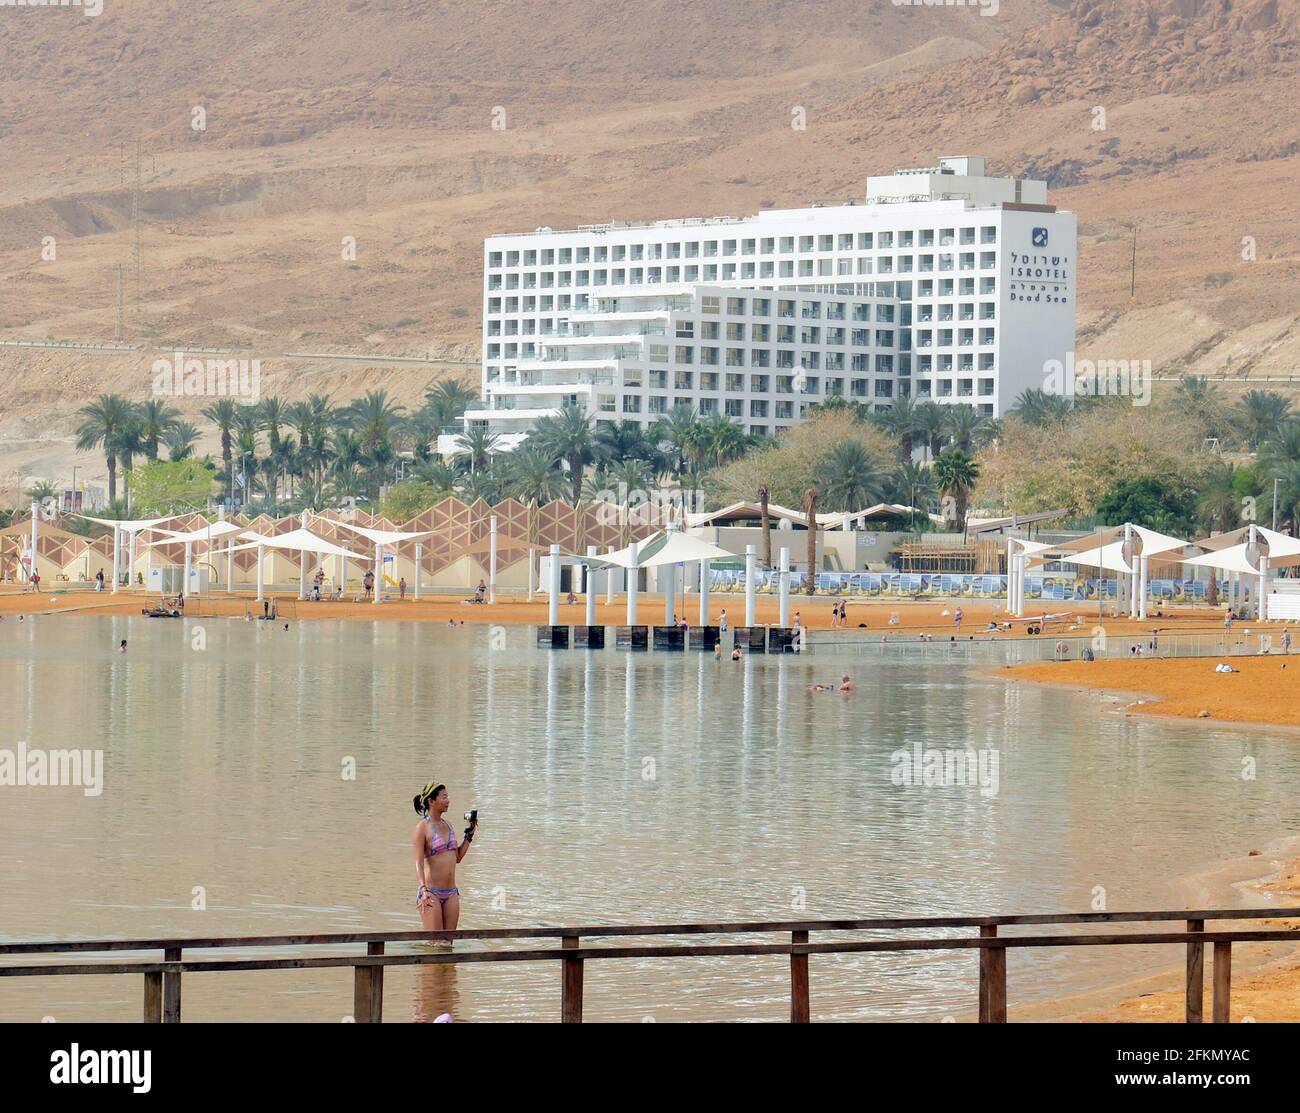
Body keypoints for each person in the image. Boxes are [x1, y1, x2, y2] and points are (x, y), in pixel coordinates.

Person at [412, 780, 478, 934]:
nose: (448, 800)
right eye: (444, 797)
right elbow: (418, 863)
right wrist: (423, 890)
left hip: (451, 893)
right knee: (435, 944)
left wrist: (469, 835)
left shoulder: (448, 825)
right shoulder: (422, 828)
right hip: (431, 892)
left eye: (448, 796)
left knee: (448, 944)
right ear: (431, 801)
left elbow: (458, 857)